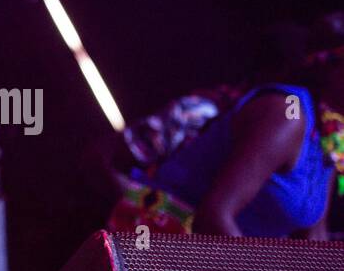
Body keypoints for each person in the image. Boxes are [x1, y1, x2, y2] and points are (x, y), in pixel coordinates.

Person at [106, 13, 344, 238]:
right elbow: (214, 216)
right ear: (331, 66)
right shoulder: (286, 114)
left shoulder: (330, 134)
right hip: (161, 247)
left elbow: (314, 238)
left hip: (220, 264)